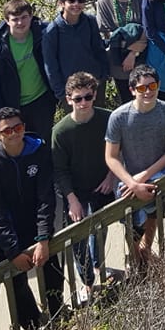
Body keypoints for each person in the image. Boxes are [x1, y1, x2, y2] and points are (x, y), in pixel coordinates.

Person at [0, 107, 63, 330]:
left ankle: (59, 320)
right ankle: (34, 329)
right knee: (18, 287)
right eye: (7, 131)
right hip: (8, 238)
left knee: (53, 276)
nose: (14, 133)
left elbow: (46, 198)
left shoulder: (40, 152)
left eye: (18, 128)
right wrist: (13, 251)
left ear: (24, 127)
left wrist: (44, 238)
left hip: (38, 229)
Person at [104, 65, 165, 272]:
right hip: (127, 178)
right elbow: (111, 157)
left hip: (158, 173)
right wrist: (132, 182)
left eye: (152, 86)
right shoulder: (119, 117)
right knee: (130, 220)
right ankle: (137, 258)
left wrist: (143, 178)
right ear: (132, 90)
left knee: (154, 213)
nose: (147, 91)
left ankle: (144, 252)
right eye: (141, 88)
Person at [51, 72, 114, 303]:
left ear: (95, 95)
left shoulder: (108, 118)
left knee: (100, 227)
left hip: (102, 184)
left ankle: (99, 267)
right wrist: (72, 199)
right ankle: (87, 282)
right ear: (69, 100)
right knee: (77, 237)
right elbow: (59, 170)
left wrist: (111, 177)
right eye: (78, 99)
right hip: (74, 190)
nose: (84, 103)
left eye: (88, 97)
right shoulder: (60, 131)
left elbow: (118, 150)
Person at [0, 0, 57, 144]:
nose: (20, 23)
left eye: (24, 17)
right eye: (15, 19)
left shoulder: (44, 34)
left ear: (31, 16)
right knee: (20, 145)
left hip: (42, 100)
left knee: (44, 143)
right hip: (14, 107)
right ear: (6, 21)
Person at [42, 0, 109, 98]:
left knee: (99, 116)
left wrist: (103, 75)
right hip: (72, 93)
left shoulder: (90, 21)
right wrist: (62, 94)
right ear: (61, 3)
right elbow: (51, 66)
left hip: (95, 85)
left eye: (81, 0)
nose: (76, 4)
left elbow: (99, 49)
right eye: (71, 1)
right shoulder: (52, 31)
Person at [95, 0, 146, 105]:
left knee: (145, 95)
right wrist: (128, 47)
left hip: (144, 54)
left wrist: (133, 53)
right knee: (127, 101)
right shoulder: (103, 1)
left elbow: (149, 27)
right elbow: (105, 32)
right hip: (118, 59)